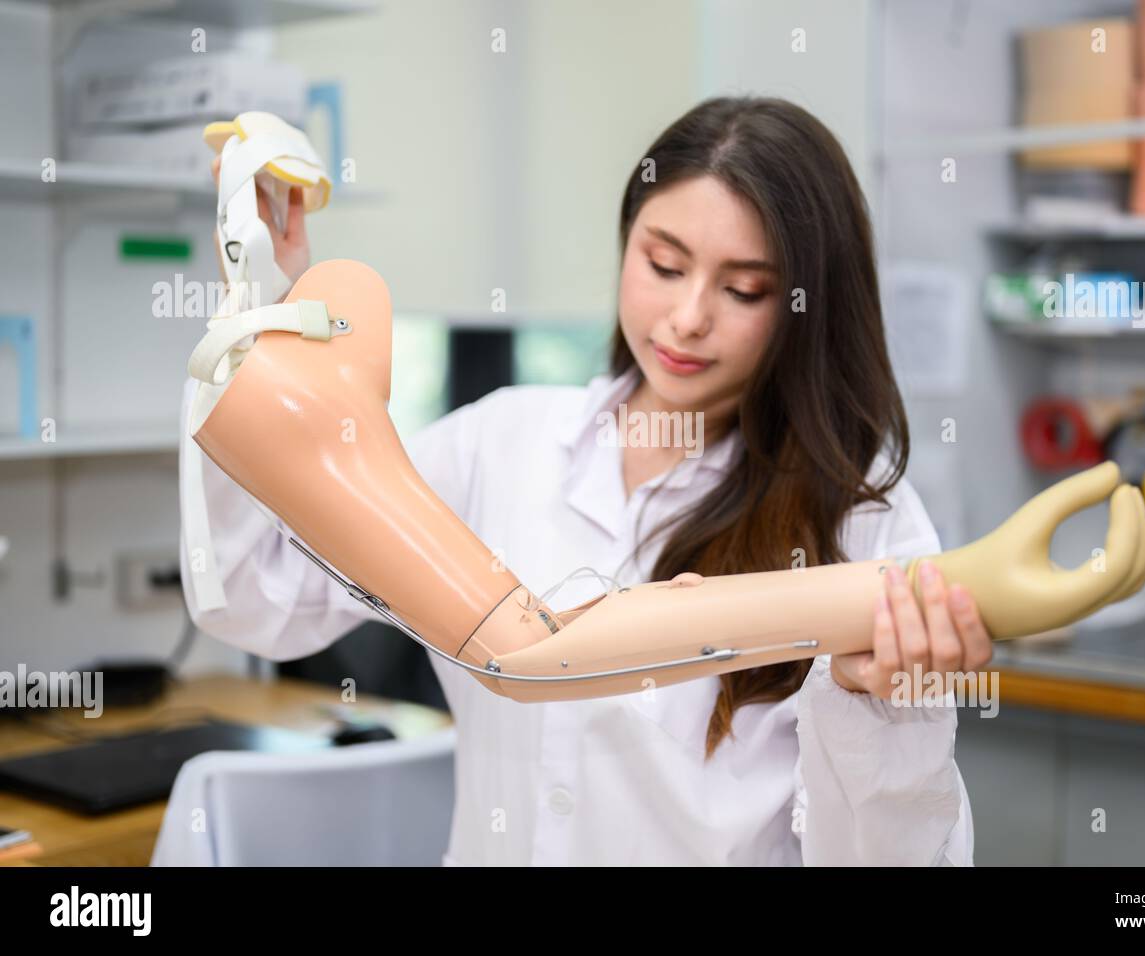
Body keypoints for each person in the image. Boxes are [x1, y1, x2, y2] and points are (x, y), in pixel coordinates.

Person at [179, 95, 993, 866]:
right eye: (663, 264)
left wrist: (881, 710)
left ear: (807, 306)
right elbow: (254, 600)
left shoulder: (864, 525)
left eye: (744, 289)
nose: (687, 318)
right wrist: (261, 339)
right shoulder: (497, 444)